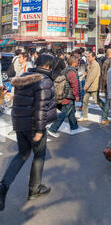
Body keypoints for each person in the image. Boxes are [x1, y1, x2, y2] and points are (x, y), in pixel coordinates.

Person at [0, 53, 57, 211]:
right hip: (34, 125)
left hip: (20, 124)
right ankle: (34, 188)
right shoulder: (43, 80)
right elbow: (41, 107)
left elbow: (18, 102)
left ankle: (3, 186)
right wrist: (39, 130)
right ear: (47, 66)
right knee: (39, 156)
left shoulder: (24, 76)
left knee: (22, 154)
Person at [47, 56, 80, 137]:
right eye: (77, 62)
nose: (78, 63)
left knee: (70, 111)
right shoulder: (72, 72)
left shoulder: (64, 70)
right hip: (68, 95)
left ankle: (74, 126)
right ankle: (53, 129)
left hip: (62, 94)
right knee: (64, 112)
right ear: (73, 63)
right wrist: (77, 95)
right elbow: (75, 85)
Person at [78, 51, 101, 122]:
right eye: (87, 56)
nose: (88, 58)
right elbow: (89, 74)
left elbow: (92, 76)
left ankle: (106, 110)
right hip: (89, 87)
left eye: (89, 56)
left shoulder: (95, 65)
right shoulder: (90, 64)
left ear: (94, 57)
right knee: (85, 100)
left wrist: (86, 85)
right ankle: (84, 116)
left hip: (93, 86)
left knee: (97, 101)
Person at [99, 48, 111, 126]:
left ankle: (106, 116)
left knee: (108, 101)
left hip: (105, 83)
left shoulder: (105, 61)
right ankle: (104, 117)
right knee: (108, 101)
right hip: (110, 84)